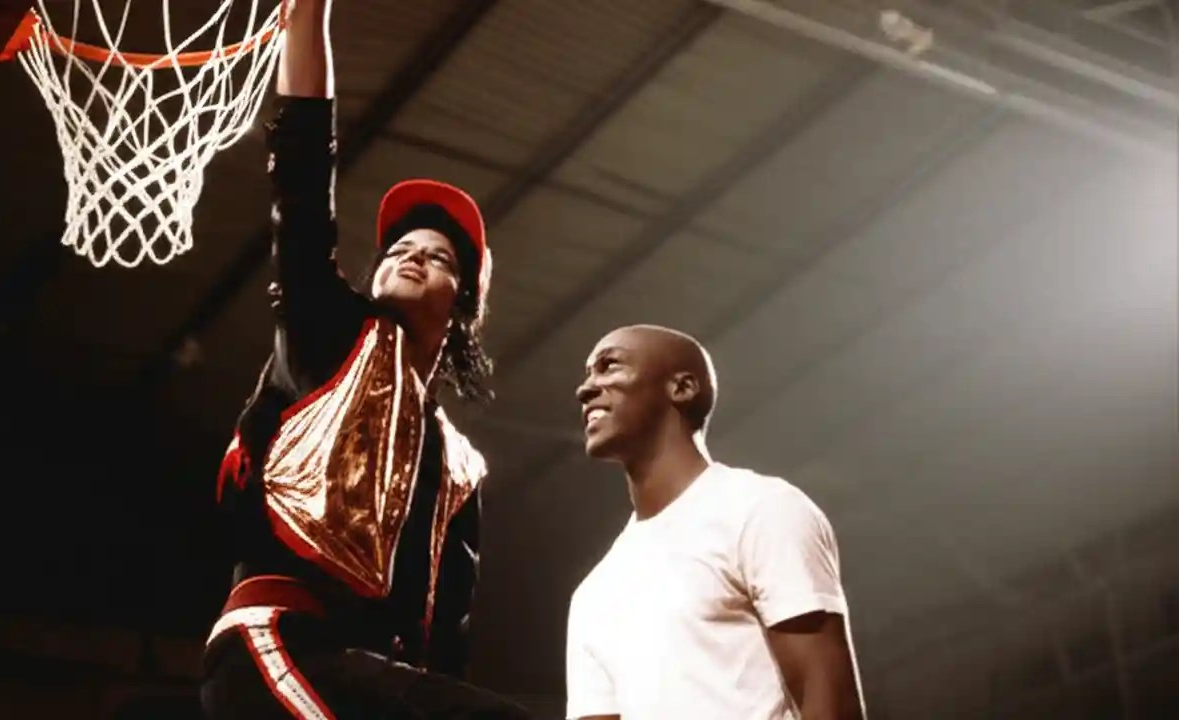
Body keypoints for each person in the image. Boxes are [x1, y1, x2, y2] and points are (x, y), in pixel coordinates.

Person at [199, 1, 529, 717]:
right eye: (399, 249)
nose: (413, 254)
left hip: (365, 673)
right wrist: (305, 22)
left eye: (438, 256)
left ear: (462, 302)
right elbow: (301, 176)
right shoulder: (330, 332)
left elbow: (448, 634)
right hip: (278, 647)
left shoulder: (461, 466)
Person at [565, 325, 865, 720]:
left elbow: (828, 699)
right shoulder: (594, 593)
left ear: (683, 387)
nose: (586, 388)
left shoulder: (761, 510)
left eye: (609, 366)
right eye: (588, 373)